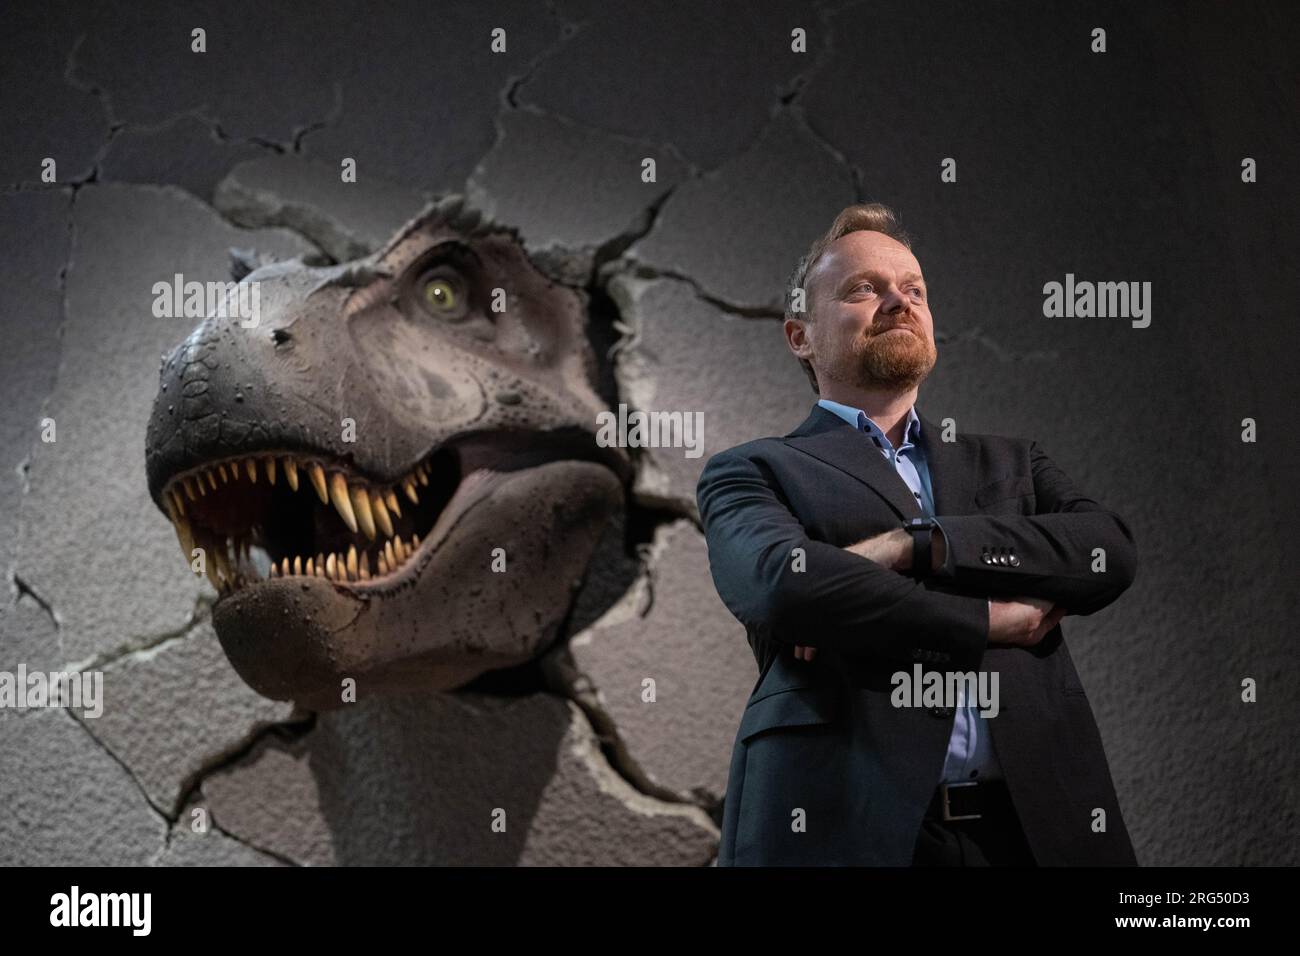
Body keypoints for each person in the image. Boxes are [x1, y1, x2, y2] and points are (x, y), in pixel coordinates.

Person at [696, 203, 1139, 866]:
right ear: (800, 336)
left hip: (1034, 833)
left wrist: (919, 543)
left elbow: (1109, 552)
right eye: (863, 289)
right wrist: (987, 620)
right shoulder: (752, 470)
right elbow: (780, 586)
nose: (899, 302)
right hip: (843, 830)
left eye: (914, 290)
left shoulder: (1013, 462)